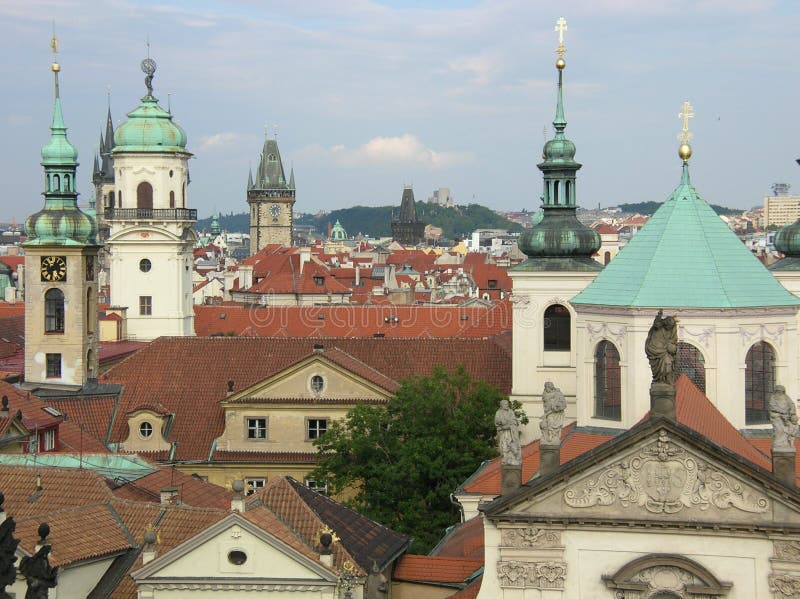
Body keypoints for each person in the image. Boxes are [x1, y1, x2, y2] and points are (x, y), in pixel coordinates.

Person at [645, 310, 678, 384]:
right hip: (654, 351)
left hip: (664, 353)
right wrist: (659, 316)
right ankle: (659, 380)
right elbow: (656, 324)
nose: (669, 328)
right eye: (668, 326)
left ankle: (666, 381)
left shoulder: (671, 332)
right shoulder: (658, 328)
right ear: (665, 323)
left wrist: (671, 347)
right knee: (662, 367)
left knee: (668, 366)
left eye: (671, 327)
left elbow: (674, 344)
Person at [769, 385, 798, 451]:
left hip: (786, 417)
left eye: (781, 391)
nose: (780, 393)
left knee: (787, 429)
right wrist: (782, 412)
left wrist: (791, 412)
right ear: (776, 391)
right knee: (779, 429)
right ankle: (778, 444)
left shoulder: (786, 397)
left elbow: (792, 405)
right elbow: (772, 407)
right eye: (778, 391)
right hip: (777, 417)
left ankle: (786, 444)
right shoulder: (773, 398)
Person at [495, 400, 521, 466]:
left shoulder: (511, 412)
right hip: (503, 433)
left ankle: (512, 457)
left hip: (511, 433)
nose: (507, 405)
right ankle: (505, 458)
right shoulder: (498, 412)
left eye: (507, 404)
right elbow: (497, 422)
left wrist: (509, 424)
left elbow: (515, 421)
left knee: (512, 445)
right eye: (505, 404)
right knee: (504, 445)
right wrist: (504, 424)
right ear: (501, 405)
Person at [540, 381, 566, 446]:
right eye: (545, 387)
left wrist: (557, 407)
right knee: (549, 422)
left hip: (557, 414)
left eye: (547, 387)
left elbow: (564, 404)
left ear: (551, 387)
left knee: (552, 423)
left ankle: (553, 436)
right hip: (548, 413)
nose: (546, 389)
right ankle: (550, 436)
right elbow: (546, 405)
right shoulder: (545, 394)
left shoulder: (558, 393)